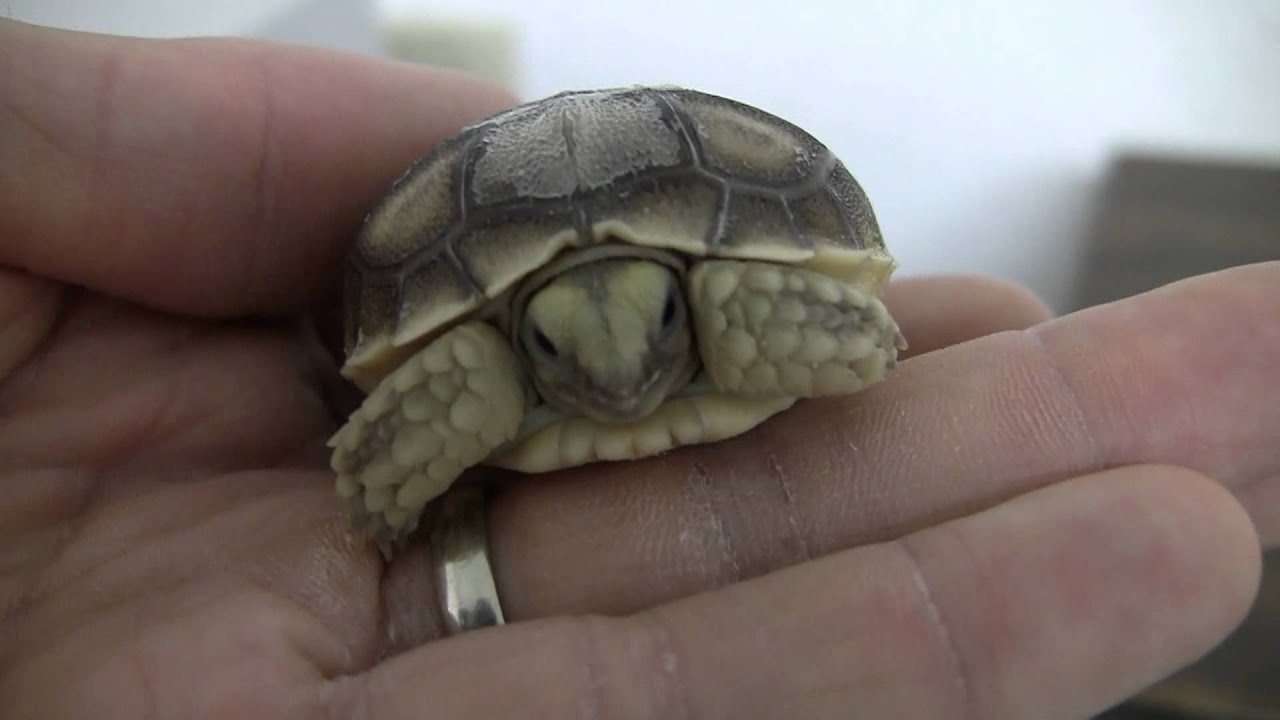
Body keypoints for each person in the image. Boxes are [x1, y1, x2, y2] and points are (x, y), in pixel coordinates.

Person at [1, 18, 1276, 719]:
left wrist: (828, 339)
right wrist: (387, 491)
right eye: (559, 353)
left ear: (688, 310)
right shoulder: (486, 360)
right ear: (521, 338)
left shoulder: (722, 302)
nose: (617, 381)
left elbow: (847, 326)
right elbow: (420, 402)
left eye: (658, 337)